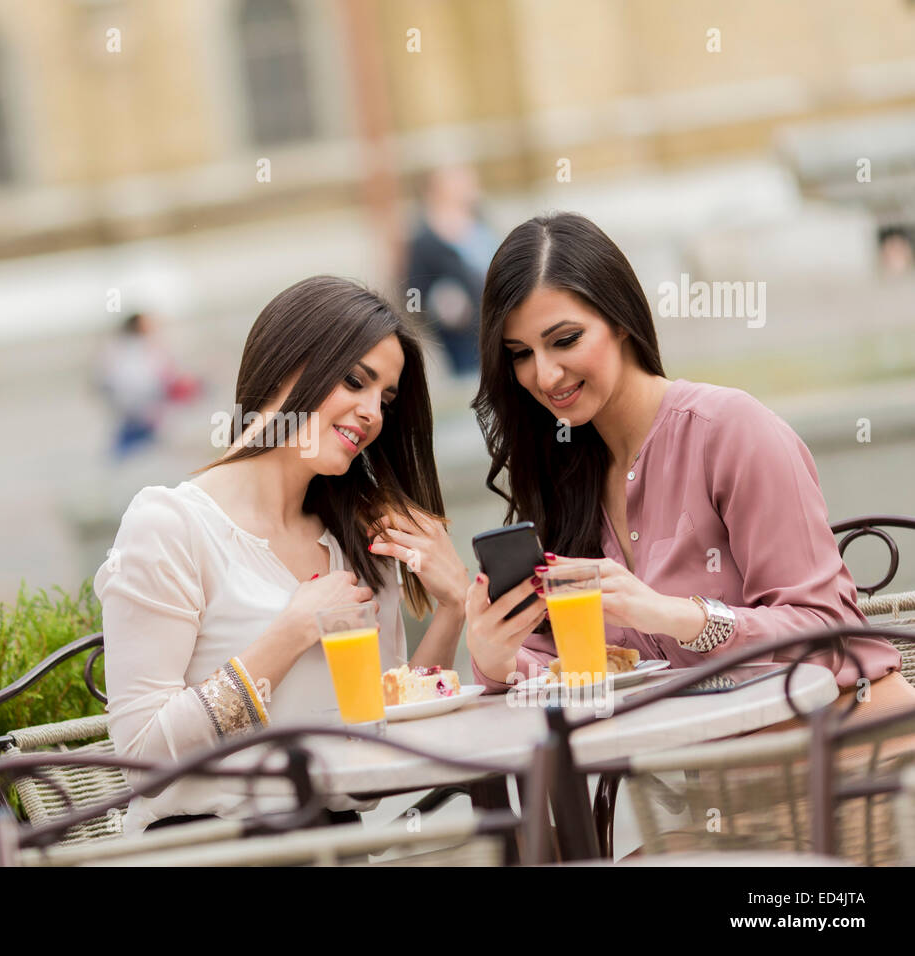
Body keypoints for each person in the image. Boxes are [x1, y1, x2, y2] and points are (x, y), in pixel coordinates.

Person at [461, 212, 907, 715]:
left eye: (565, 340)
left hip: (856, 759)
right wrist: (496, 659)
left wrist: (677, 616)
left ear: (620, 320)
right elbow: (582, 672)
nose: (544, 374)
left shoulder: (729, 431)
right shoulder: (567, 472)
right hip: (710, 774)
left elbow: (829, 634)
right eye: (520, 353)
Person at [96, 276, 470, 834]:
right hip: (210, 848)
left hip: (333, 841)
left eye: (385, 399)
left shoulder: (360, 543)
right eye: (354, 381)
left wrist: (453, 610)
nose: (371, 412)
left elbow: (377, 746)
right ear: (285, 365)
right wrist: (292, 631)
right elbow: (145, 758)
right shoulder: (172, 527)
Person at [404, 165, 500, 377]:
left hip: (497, 319)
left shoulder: (481, 226)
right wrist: (438, 303)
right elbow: (414, 294)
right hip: (462, 336)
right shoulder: (425, 239)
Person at [95, 312, 200, 459]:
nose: (154, 327)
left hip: (140, 408)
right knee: (133, 446)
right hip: (141, 406)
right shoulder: (133, 351)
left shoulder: (127, 348)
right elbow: (140, 381)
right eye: (148, 324)